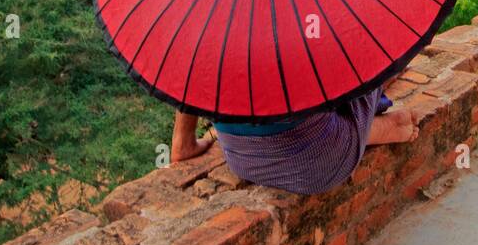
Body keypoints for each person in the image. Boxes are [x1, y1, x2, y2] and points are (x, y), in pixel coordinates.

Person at [170, 83, 419, 195]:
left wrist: (184, 144)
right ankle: (370, 128)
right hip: (318, 165)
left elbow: (188, 80)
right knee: (371, 67)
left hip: (243, 160)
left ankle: (361, 126)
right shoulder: (307, 7)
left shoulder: (207, 21)